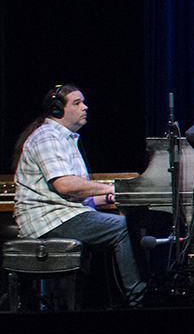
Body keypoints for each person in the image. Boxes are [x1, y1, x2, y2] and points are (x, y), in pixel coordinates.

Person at [12, 84, 146, 302]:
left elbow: (76, 195)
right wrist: (113, 188)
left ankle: (131, 295)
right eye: (77, 103)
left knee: (132, 220)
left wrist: (112, 196)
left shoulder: (65, 139)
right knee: (123, 228)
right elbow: (65, 185)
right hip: (50, 221)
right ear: (57, 109)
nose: (85, 107)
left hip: (66, 215)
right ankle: (138, 299)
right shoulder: (48, 137)